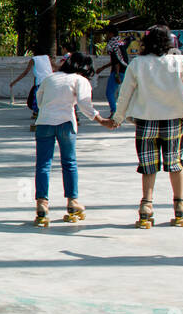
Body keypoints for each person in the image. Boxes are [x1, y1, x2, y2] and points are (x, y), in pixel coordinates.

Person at [110, 24, 183, 227]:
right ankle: (180, 205)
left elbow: (125, 94)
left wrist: (117, 118)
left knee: (148, 165)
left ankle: (146, 206)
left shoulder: (137, 64)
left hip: (146, 121)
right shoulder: (178, 61)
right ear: (169, 41)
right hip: (173, 120)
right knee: (175, 162)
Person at [32, 52, 108, 226]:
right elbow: (84, 103)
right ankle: (72, 202)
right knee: (69, 163)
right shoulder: (79, 80)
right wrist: (101, 120)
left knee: (43, 164)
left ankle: (42, 203)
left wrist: (49, 110)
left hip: (44, 123)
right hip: (66, 123)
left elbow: (40, 99)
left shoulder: (49, 78)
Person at [10, 47, 57, 126]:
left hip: (40, 83)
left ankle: (40, 117)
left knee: (38, 100)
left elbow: (25, 73)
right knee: (47, 99)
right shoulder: (47, 58)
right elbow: (56, 67)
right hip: (50, 81)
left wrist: (14, 82)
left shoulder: (33, 59)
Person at [101, 29, 129, 118]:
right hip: (123, 70)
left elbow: (116, 61)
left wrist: (116, 73)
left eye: (107, 33)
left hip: (117, 72)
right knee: (115, 93)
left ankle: (114, 112)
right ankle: (116, 111)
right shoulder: (120, 43)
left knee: (109, 93)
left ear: (111, 33)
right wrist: (102, 68)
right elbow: (115, 60)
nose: (107, 35)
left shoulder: (113, 44)